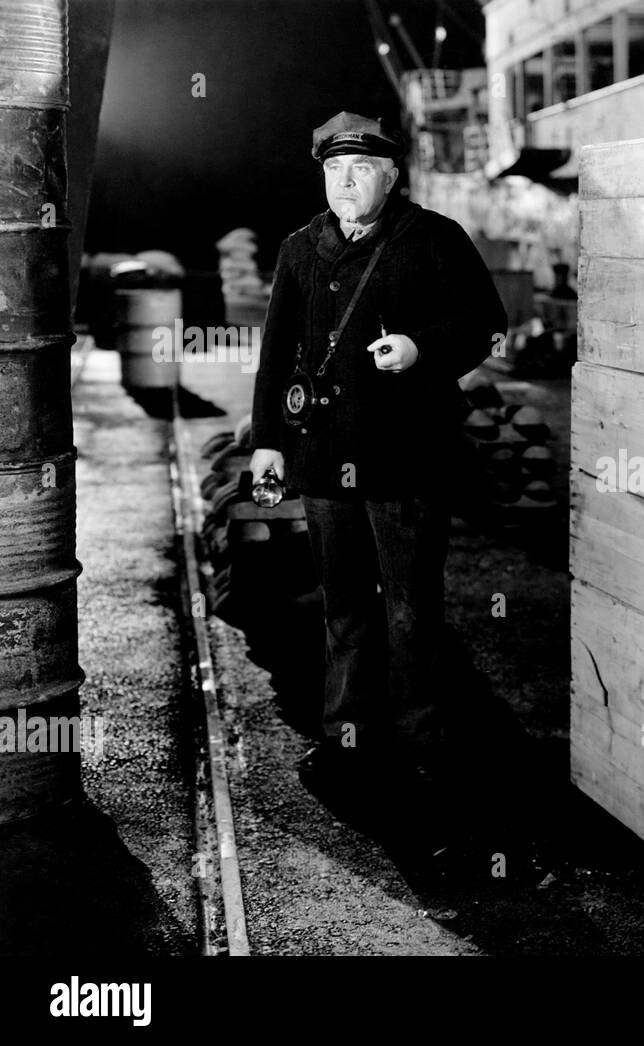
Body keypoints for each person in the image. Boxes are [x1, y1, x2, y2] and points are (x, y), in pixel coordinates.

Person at [249, 112, 507, 807]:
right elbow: (275, 354)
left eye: (361, 168)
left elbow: (484, 323)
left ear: (391, 175)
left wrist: (423, 348)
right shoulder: (301, 248)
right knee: (343, 609)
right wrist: (268, 442)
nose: (346, 181)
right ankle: (348, 739)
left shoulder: (432, 239)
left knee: (411, 609)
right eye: (334, 169)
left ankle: (423, 745)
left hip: (407, 457)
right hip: (326, 457)